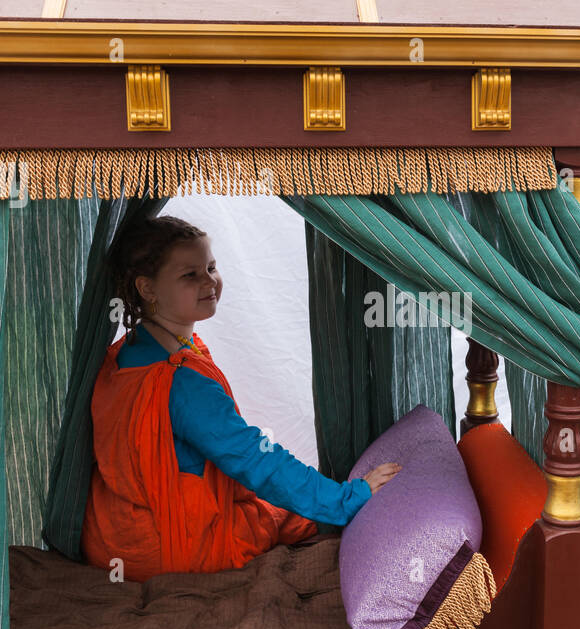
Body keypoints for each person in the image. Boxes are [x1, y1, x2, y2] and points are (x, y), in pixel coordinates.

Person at [82, 214, 401, 581]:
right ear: (147, 289)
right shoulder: (179, 378)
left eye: (211, 267)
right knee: (292, 517)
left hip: (111, 538)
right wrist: (348, 499)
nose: (209, 282)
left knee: (276, 498)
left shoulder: (125, 351)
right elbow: (254, 458)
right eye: (190, 275)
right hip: (169, 548)